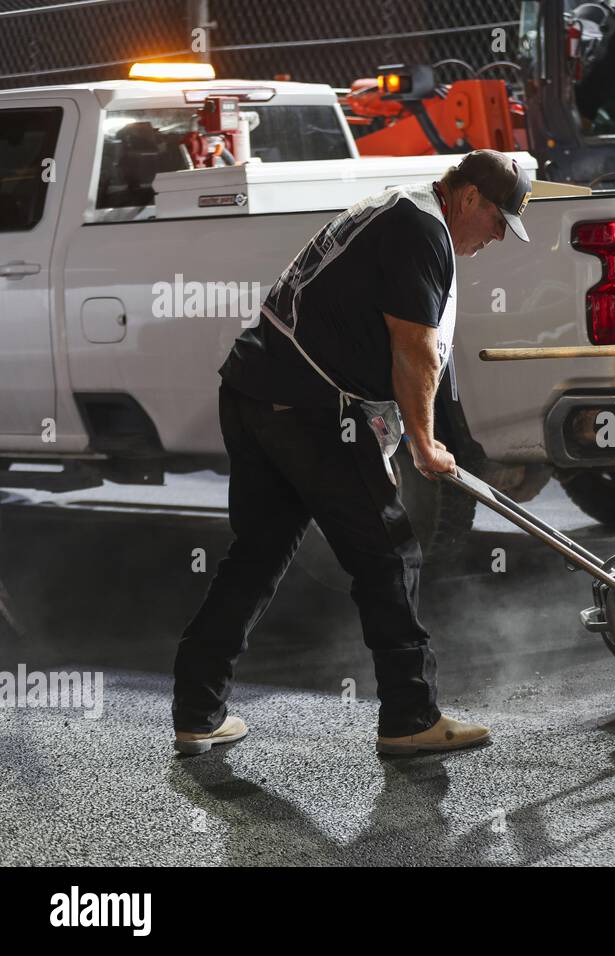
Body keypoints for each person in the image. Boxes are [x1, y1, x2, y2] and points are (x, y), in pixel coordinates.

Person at [171, 150, 531, 757]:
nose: (498, 237)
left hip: (257, 390)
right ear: (469, 198)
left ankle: (197, 710)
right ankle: (410, 716)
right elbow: (413, 349)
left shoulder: (401, 210)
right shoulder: (420, 229)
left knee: (258, 551)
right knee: (389, 555)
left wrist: (454, 442)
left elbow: (429, 353)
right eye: (499, 221)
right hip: (310, 410)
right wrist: (422, 445)